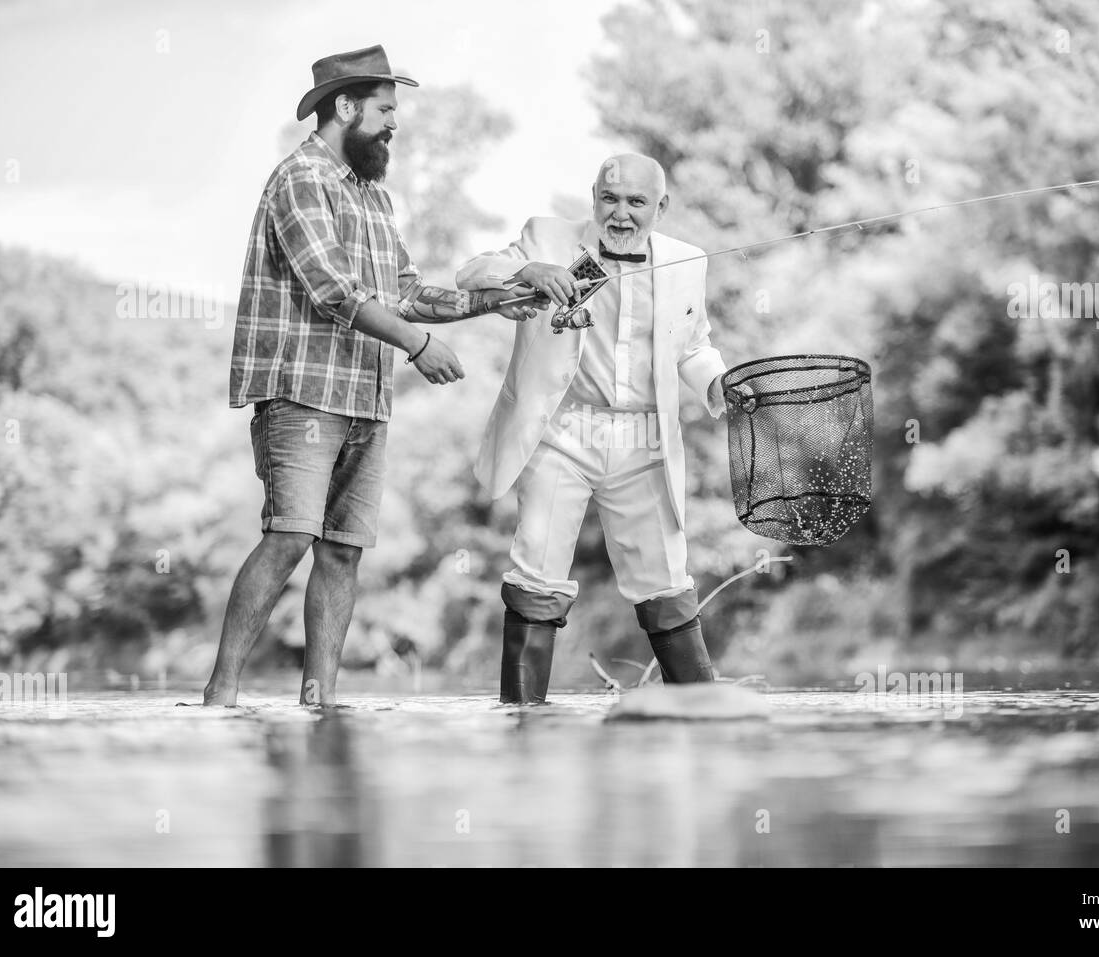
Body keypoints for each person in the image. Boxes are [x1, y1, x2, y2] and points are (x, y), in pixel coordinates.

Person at [204, 45, 540, 706]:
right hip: (302, 396)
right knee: (291, 535)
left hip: (367, 399)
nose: (394, 125)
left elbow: (406, 290)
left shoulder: (374, 197)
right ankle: (221, 694)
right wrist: (417, 346)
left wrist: (493, 300)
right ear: (346, 106)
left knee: (344, 550)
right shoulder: (300, 178)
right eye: (386, 110)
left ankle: (319, 698)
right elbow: (333, 290)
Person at [456, 152, 730, 703]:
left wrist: (718, 385)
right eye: (610, 198)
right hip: (562, 431)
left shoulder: (688, 260)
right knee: (535, 566)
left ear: (661, 206)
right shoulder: (548, 238)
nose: (621, 214)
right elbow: (471, 272)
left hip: (645, 437)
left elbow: (694, 344)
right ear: (594, 197)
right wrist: (525, 272)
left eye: (637, 202)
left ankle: (702, 713)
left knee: (666, 577)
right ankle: (523, 716)